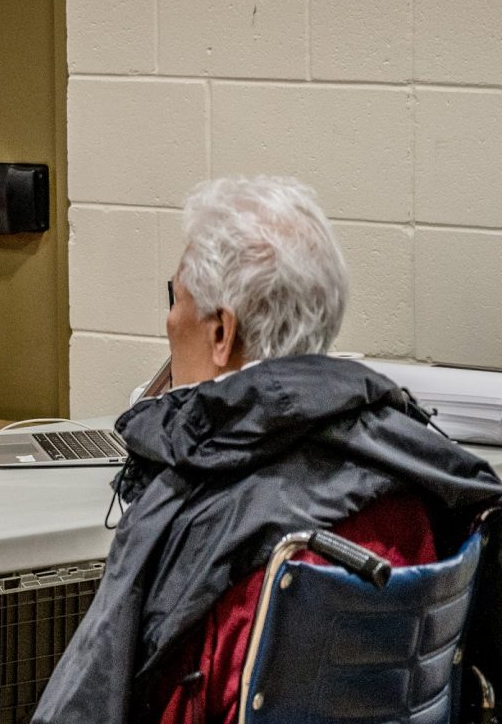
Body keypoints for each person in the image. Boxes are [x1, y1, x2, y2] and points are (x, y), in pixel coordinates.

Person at [33, 176, 502, 724]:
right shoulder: (419, 478)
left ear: (221, 333)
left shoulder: (200, 512)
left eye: (175, 298)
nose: (169, 321)